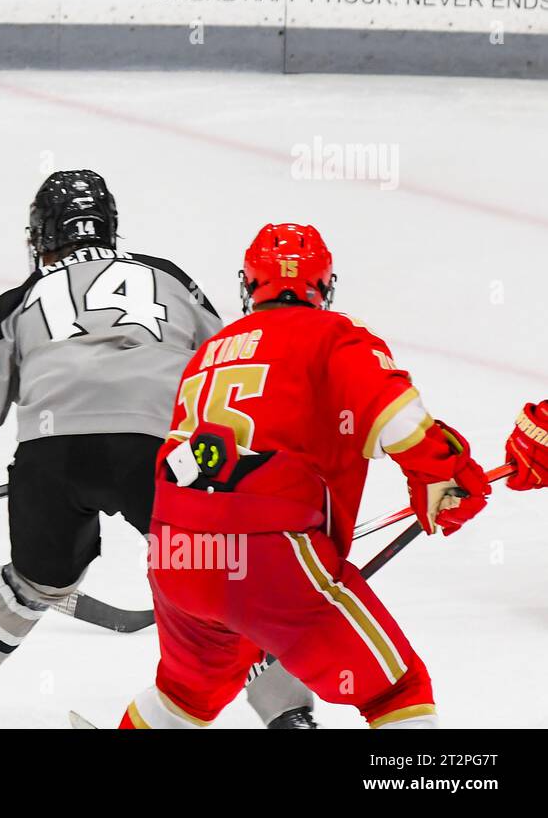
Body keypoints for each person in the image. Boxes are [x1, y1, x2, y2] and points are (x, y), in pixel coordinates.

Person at [0, 170, 317, 728]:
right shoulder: (167, 279)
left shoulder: (23, 298)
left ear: (40, 235)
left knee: (38, 578)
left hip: (52, 454)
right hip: (158, 453)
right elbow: (229, 368)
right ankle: (287, 716)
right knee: (230, 573)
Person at [120, 223, 490, 729]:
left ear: (249, 285)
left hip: (175, 554)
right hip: (268, 556)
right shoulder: (336, 335)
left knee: (184, 694)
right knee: (396, 692)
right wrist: (442, 473)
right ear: (325, 286)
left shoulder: (210, 350)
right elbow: (399, 421)